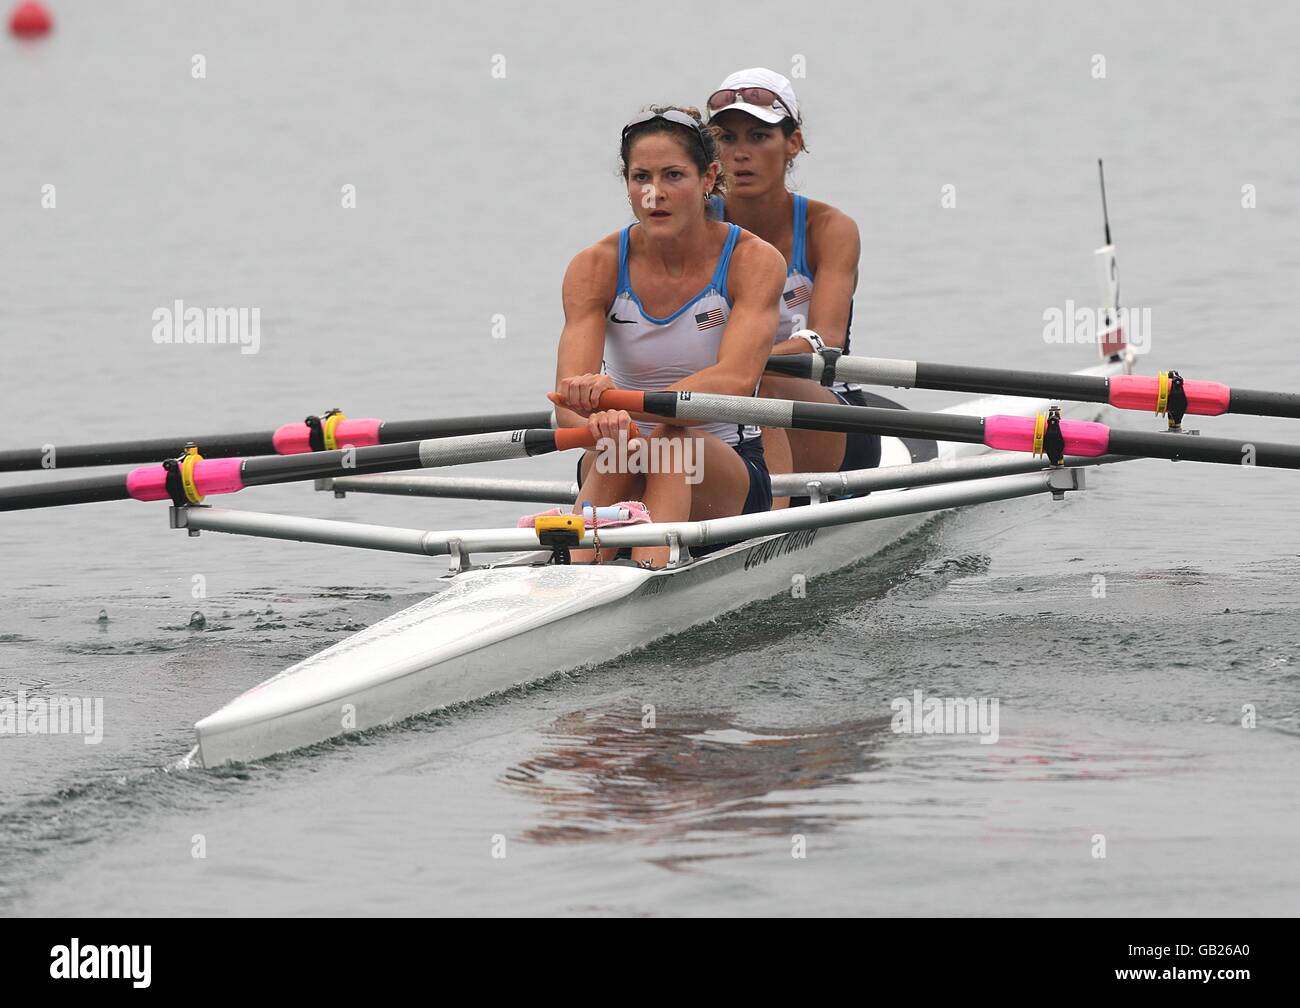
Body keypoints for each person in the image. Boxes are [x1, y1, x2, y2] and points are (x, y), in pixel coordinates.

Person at [549, 106, 786, 569]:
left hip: (727, 472)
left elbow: (735, 381)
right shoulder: (594, 266)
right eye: (641, 177)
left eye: (673, 175)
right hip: (618, 458)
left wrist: (621, 405)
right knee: (628, 445)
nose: (653, 194)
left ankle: (638, 569)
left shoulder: (753, 261)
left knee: (670, 439)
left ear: (708, 177)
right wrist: (592, 415)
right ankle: (577, 575)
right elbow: (565, 406)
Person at [706, 68, 879, 508]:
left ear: (793, 143)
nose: (740, 154)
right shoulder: (692, 227)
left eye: (759, 137)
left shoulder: (829, 229)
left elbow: (828, 341)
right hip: (721, 405)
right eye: (726, 138)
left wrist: (737, 368)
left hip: (825, 411)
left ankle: (768, 526)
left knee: (762, 378)